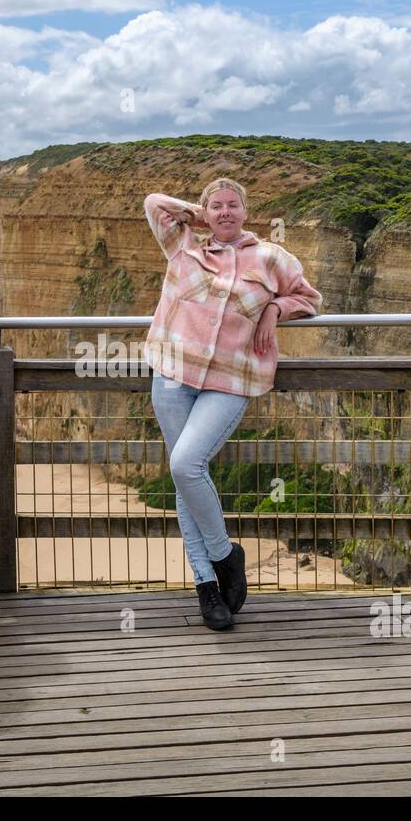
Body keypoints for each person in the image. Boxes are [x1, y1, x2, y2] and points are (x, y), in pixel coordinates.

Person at [142, 179, 322, 630]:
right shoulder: (182, 246)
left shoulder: (272, 258)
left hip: (231, 381)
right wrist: (197, 215)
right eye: (216, 206)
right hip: (171, 375)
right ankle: (208, 586)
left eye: (232, 205)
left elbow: (310, 298)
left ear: (246, 210)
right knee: (186, 477)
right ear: (205, 211)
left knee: (185, 464)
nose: (225, 212)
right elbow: (154, 203)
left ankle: (225, 555)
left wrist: (276, 309)